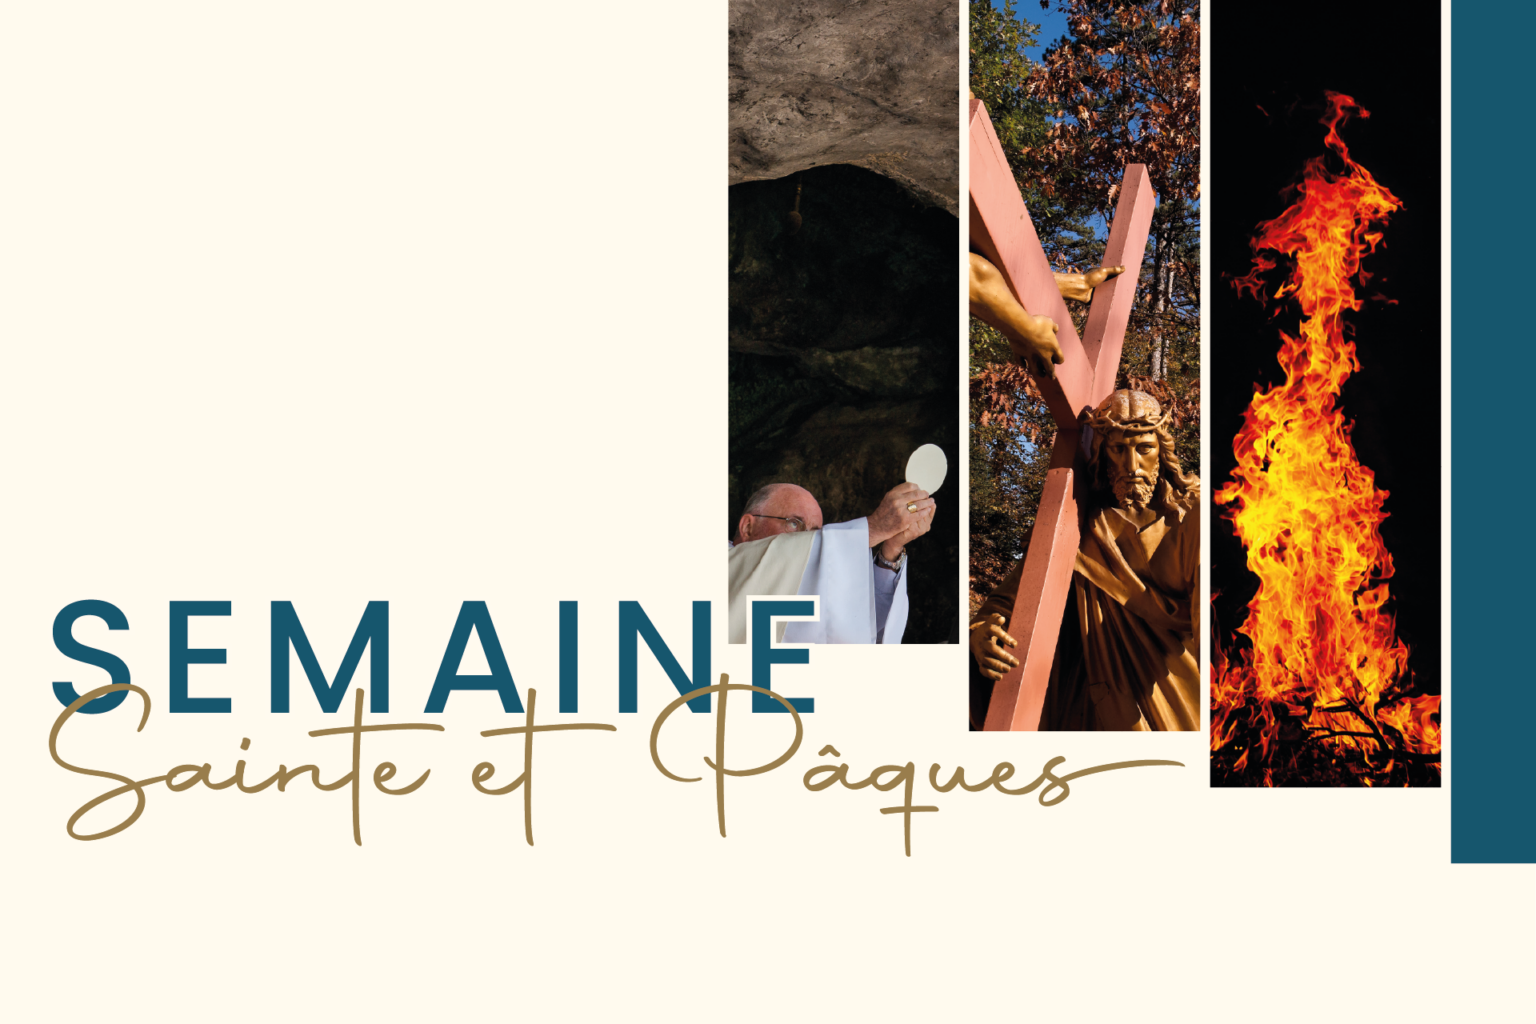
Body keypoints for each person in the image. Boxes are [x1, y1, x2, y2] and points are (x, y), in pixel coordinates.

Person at [969, 389, 1199, 730]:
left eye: (1144, 448)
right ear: (1102, 453)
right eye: (1118, 449)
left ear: (1161, 452)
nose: (1131, 466)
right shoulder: (1076, 528)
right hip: (1095, 704)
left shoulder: (1189, 519)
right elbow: (1013, 599)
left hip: (1182, 697)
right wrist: (981, 633)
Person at [728, 481, 935, 645]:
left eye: (816, 534)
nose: (807, 541)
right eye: (794, 524)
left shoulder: (809, 587)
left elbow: (855, 630)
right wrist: (875, 528)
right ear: (747, 527)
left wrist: (890, 551)